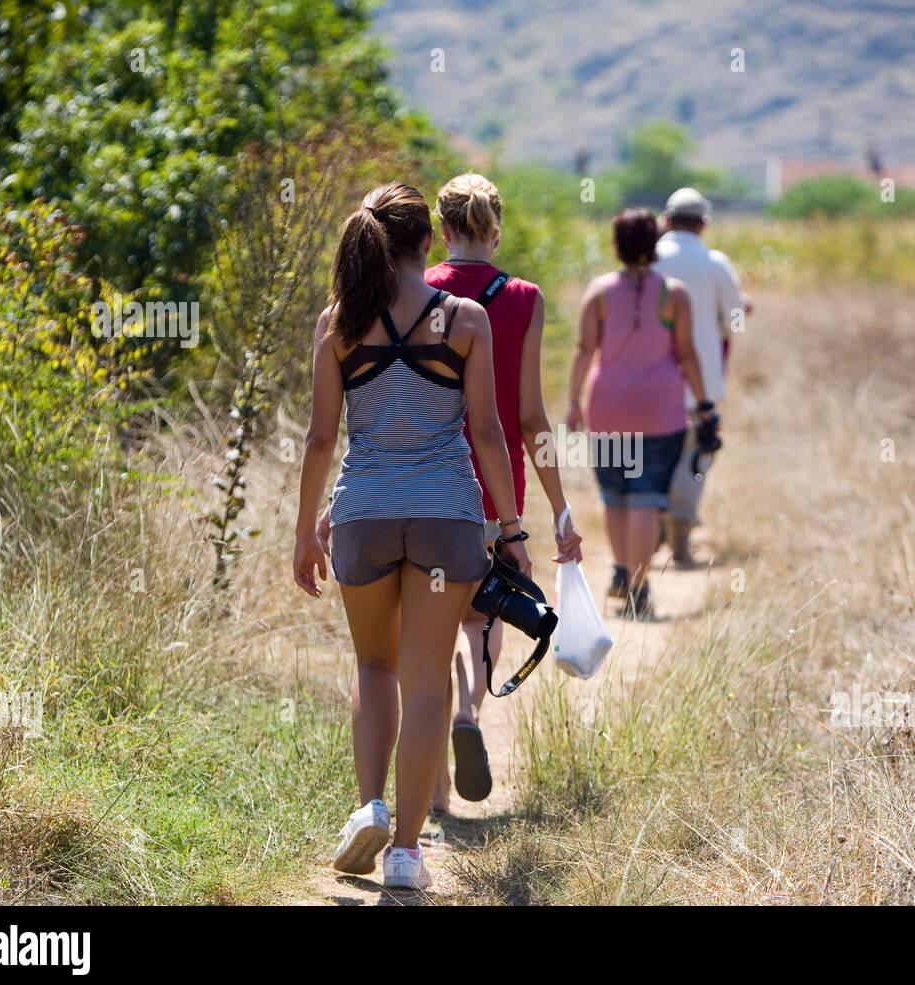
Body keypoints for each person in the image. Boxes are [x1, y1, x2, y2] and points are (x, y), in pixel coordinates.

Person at [292, 181, 530, 891]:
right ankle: (405, 851)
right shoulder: (462, 319)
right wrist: (511, 529)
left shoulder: (337, 323)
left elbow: (320, 437)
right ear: (427, 241)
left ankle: (368, 804)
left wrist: (305, 533)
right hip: (445, 516)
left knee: (375, 667)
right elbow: (486, 431)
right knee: (428, 682)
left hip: (362, 513)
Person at [424, 172, 582, 812]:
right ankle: (469, 709)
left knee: (423, 627)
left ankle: (430, 795)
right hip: (494, 485)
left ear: (441, 230)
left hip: (424, 477)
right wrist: (559, 505)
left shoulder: (417, 289)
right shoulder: (522, 297)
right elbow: (530, 415)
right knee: (482, 612)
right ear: (496, 230)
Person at [565, 208, 715, 617]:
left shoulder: (598, 292)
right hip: (659, 412)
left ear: (616, 247)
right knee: (646, 499)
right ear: (655, 244)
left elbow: (583, 350)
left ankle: (619, 568)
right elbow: (686, 355)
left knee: (616, 496)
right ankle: (638, 587)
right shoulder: (675, 293)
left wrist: (572, 400)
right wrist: (704, 405)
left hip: (608, 410)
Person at [653, 187, 749, 567]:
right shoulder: (716, 263)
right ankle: (680, 544)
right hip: (701, 386)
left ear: (666, 220)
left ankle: (652, 524)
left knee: (655, 455)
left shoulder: (649, 259)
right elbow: (735, 322)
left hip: (653, 382)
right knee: (694, 459)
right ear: (704, 224)